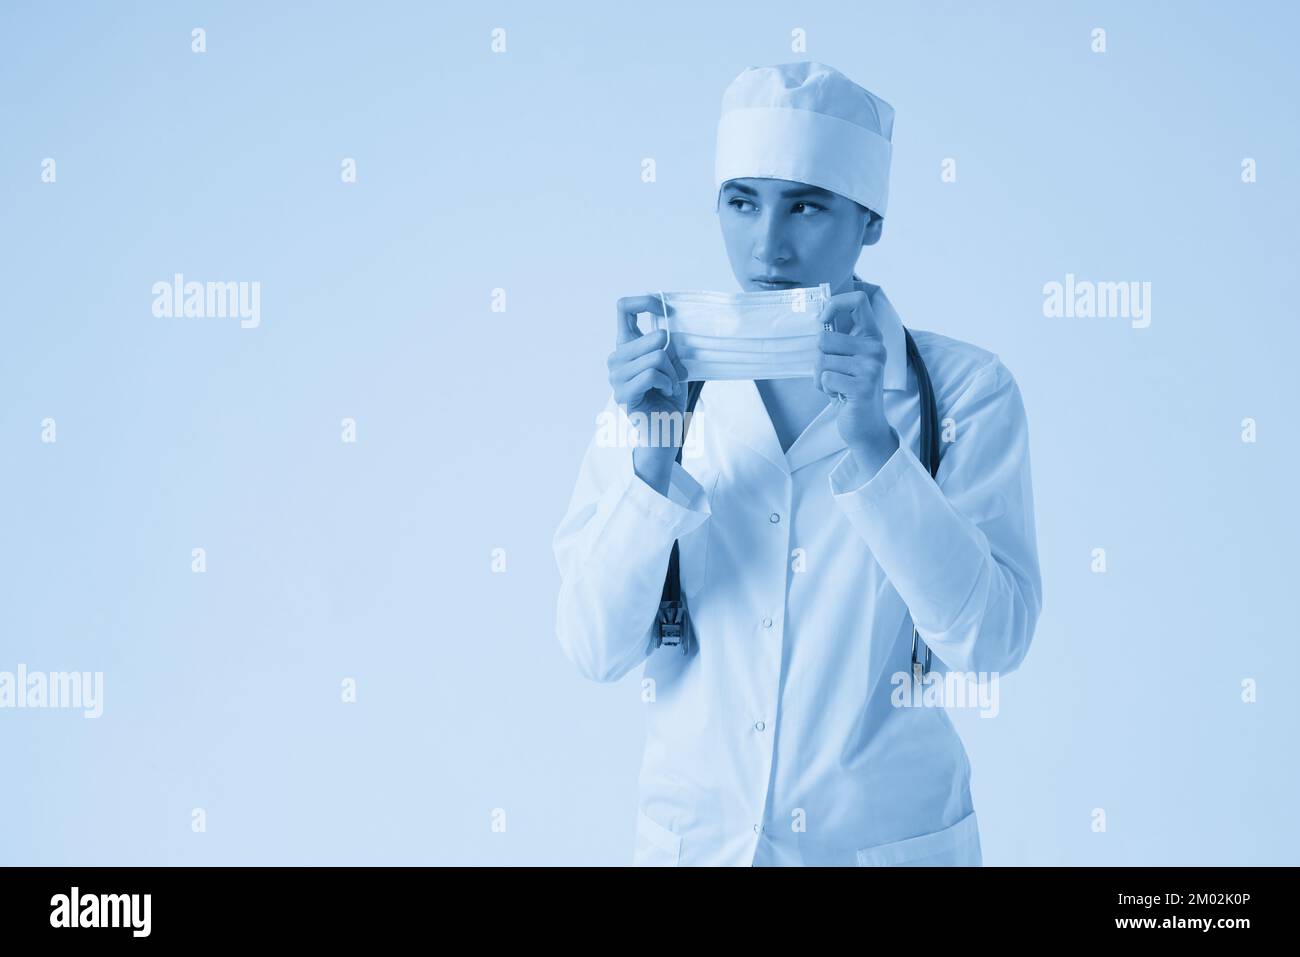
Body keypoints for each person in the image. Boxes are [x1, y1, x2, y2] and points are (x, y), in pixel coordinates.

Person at [552, 61, 1043, 866]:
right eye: (741, 201)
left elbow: (990, 642)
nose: (768, 245)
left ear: (870, 220)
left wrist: (876, 447)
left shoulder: (965, 394)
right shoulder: (662, 392)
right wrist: (651, 465)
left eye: (806, 206)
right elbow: (593, 647)